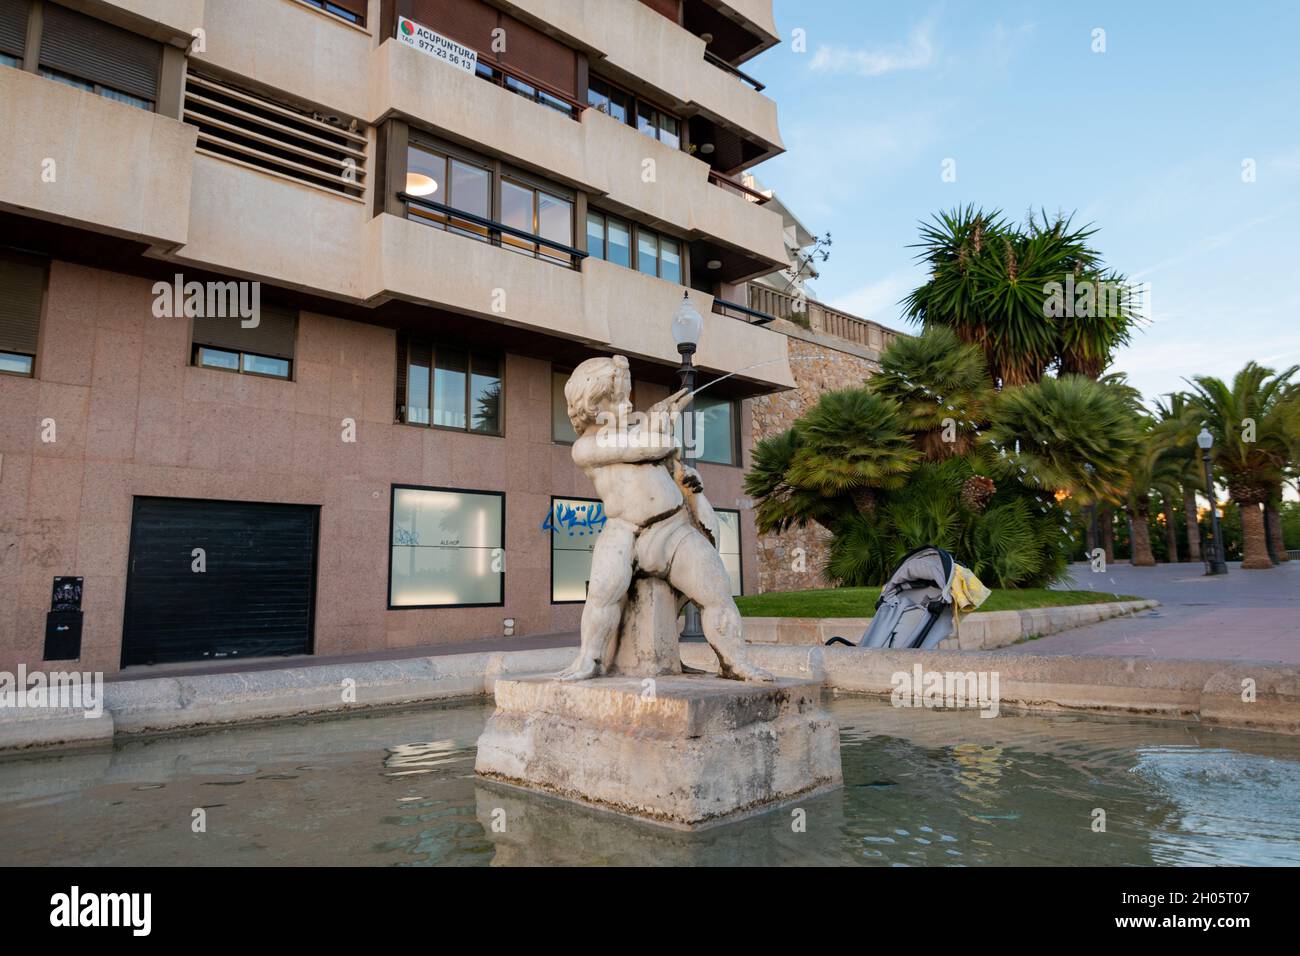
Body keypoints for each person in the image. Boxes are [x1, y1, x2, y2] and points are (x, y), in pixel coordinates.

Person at [557, 355, 772, 682]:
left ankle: (734, 660)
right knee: (603, 593)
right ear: (591, 406)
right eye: (617, 400)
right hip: (625, 532)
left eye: (627, 397)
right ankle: (590, 659)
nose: (627, 405)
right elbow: (648, 447)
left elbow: (667, 456)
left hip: (672, 529)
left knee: (716, 591)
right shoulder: (587, 446)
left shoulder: (635, 430)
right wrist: (659, 423)